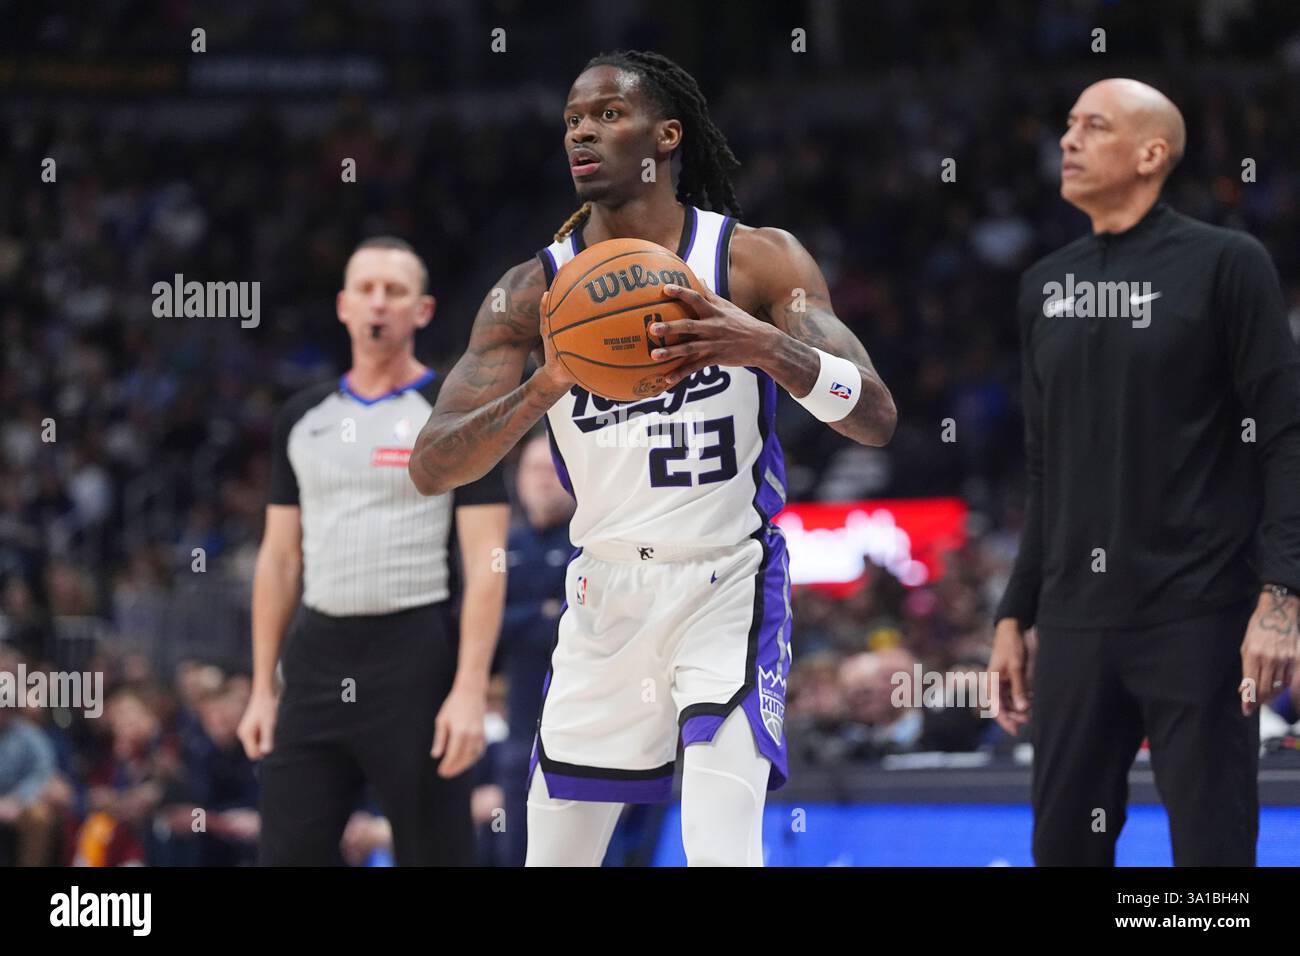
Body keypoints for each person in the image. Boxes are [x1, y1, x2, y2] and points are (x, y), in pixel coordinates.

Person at [409, 51, 896, 866]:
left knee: (718, 851)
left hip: (725, 583)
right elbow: (433, 467)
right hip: (602, 597)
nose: (582, 133)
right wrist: (541, 388)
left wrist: (763, 344)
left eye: (606, 115)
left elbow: (875, 415)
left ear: (665, 136)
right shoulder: (530, 295)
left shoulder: (754, 262)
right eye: (571, 121)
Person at [989, 79, 1300, 866]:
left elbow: (1287, 435)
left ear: (1151, 153)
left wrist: (1281, 596)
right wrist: (1012, 613)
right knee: (1061, 851)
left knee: (1213, 860)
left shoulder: (1228, 265)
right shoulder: (1042, 287)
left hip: (1199, 615)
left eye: (1093, 126)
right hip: (1072, 623)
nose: (1067, 139)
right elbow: (1044, 466)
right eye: (1067, 125)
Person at [238, 237, 509, 865]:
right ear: (343, 306)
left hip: (415, 656)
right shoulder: (302, 418)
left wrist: (470, 689)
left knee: (436, 855)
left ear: (423, 310)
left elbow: (488, 562)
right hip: (314, 658)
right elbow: (279, 560)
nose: (378, 302)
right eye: (365, 289)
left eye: (395, 291)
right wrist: (260, 686)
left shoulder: (458, 412)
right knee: (286, 855)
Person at [496, 432, 575, 866]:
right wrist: (543, 614)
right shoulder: (503, 547)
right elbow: (481, 627)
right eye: (533, 470)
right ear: (518, 478)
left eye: (552, 471)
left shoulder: (590, 544)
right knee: (515, 852)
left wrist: (527, 617)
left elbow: (579, 626)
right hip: (520, 734)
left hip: (585, 732)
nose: (543, 481)